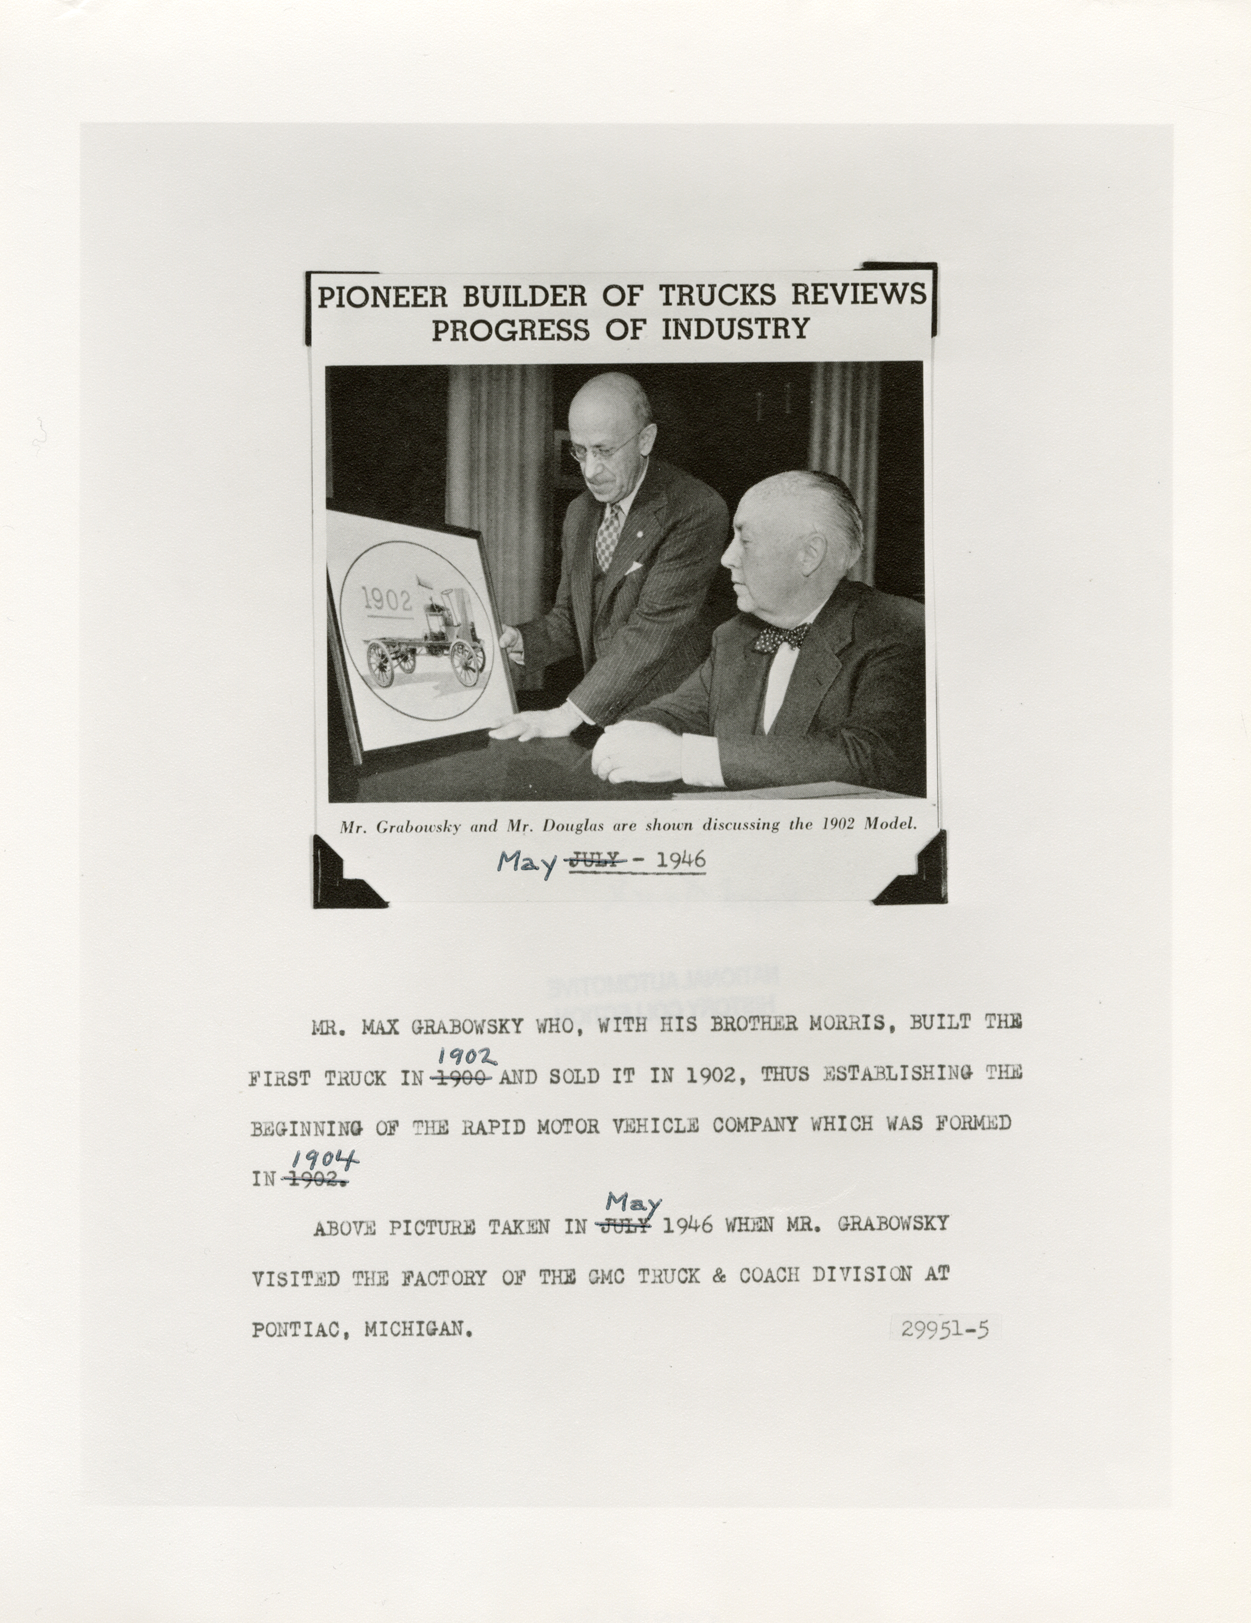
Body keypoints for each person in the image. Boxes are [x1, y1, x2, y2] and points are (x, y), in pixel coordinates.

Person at [590, 470, 926, 795]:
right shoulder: (736, 636)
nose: (726, 557)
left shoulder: (900, 629)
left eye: (745, 541)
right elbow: (674, 713)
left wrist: (684, 758)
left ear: (809, 554)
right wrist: (635, 734)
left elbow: (867, 758)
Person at [489, 372, 729, 741]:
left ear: (645, 439)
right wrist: (523, 640)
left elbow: (652, 629)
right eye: (579, 451)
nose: (589, 471)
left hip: (675, 723)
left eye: (604, 451)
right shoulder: (580, 513)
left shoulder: (695, 509)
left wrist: (569, 712)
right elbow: (574, 617)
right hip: (603, 716)